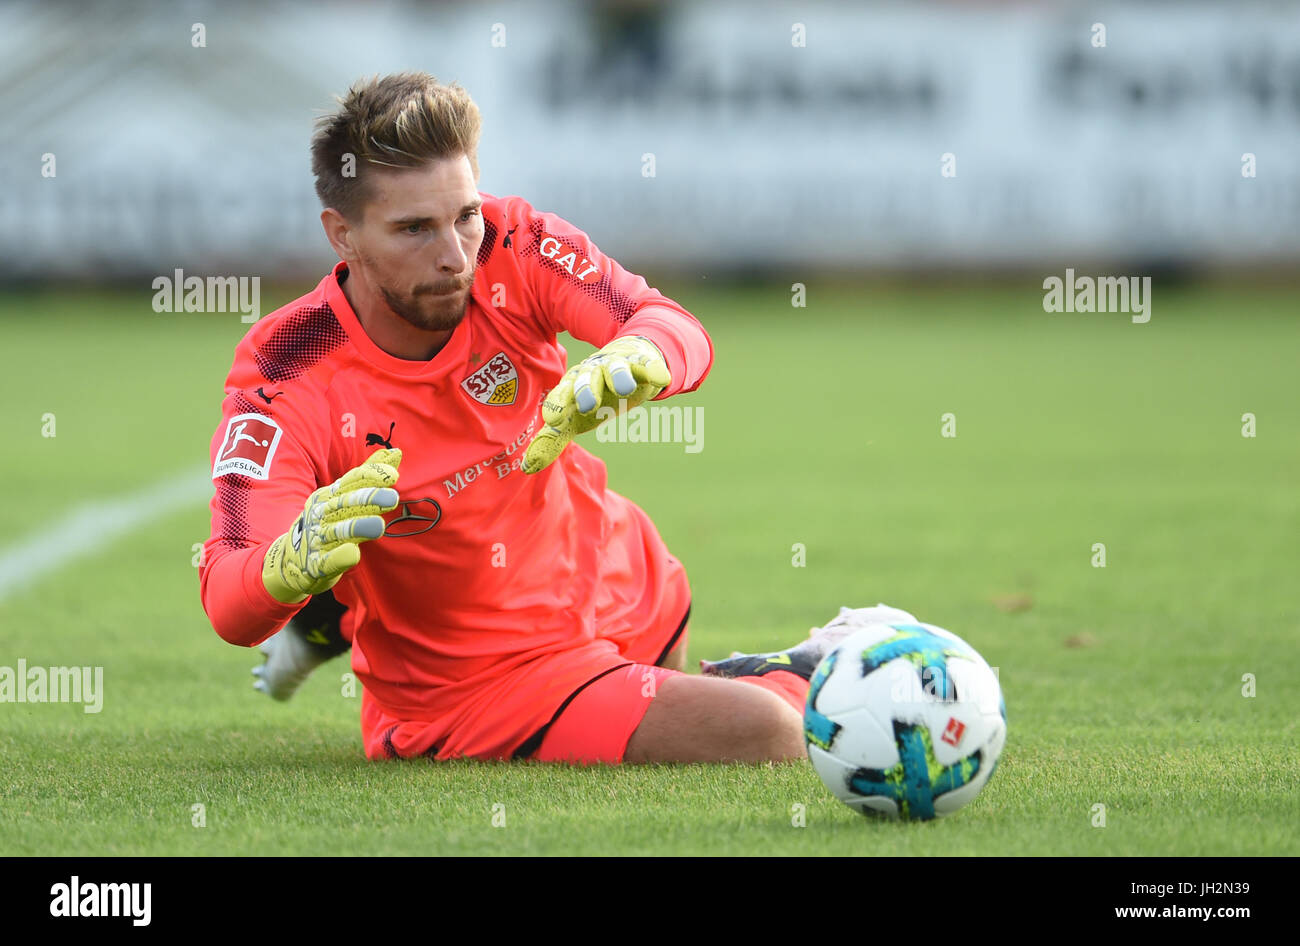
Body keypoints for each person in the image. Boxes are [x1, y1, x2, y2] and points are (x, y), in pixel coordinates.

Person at [200, 71, 860, 765]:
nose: (454, 255)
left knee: (682, 716)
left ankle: (329, 620)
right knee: (763, 733)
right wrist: (284, 571)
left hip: (624, 581)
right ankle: (822, 674)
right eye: (413, 229)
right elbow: (228, 592)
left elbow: (673, 325)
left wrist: (643, 355)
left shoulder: (512, 242)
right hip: (480, 687)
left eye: (463, 214)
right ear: (343, 234)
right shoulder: (287, 368)